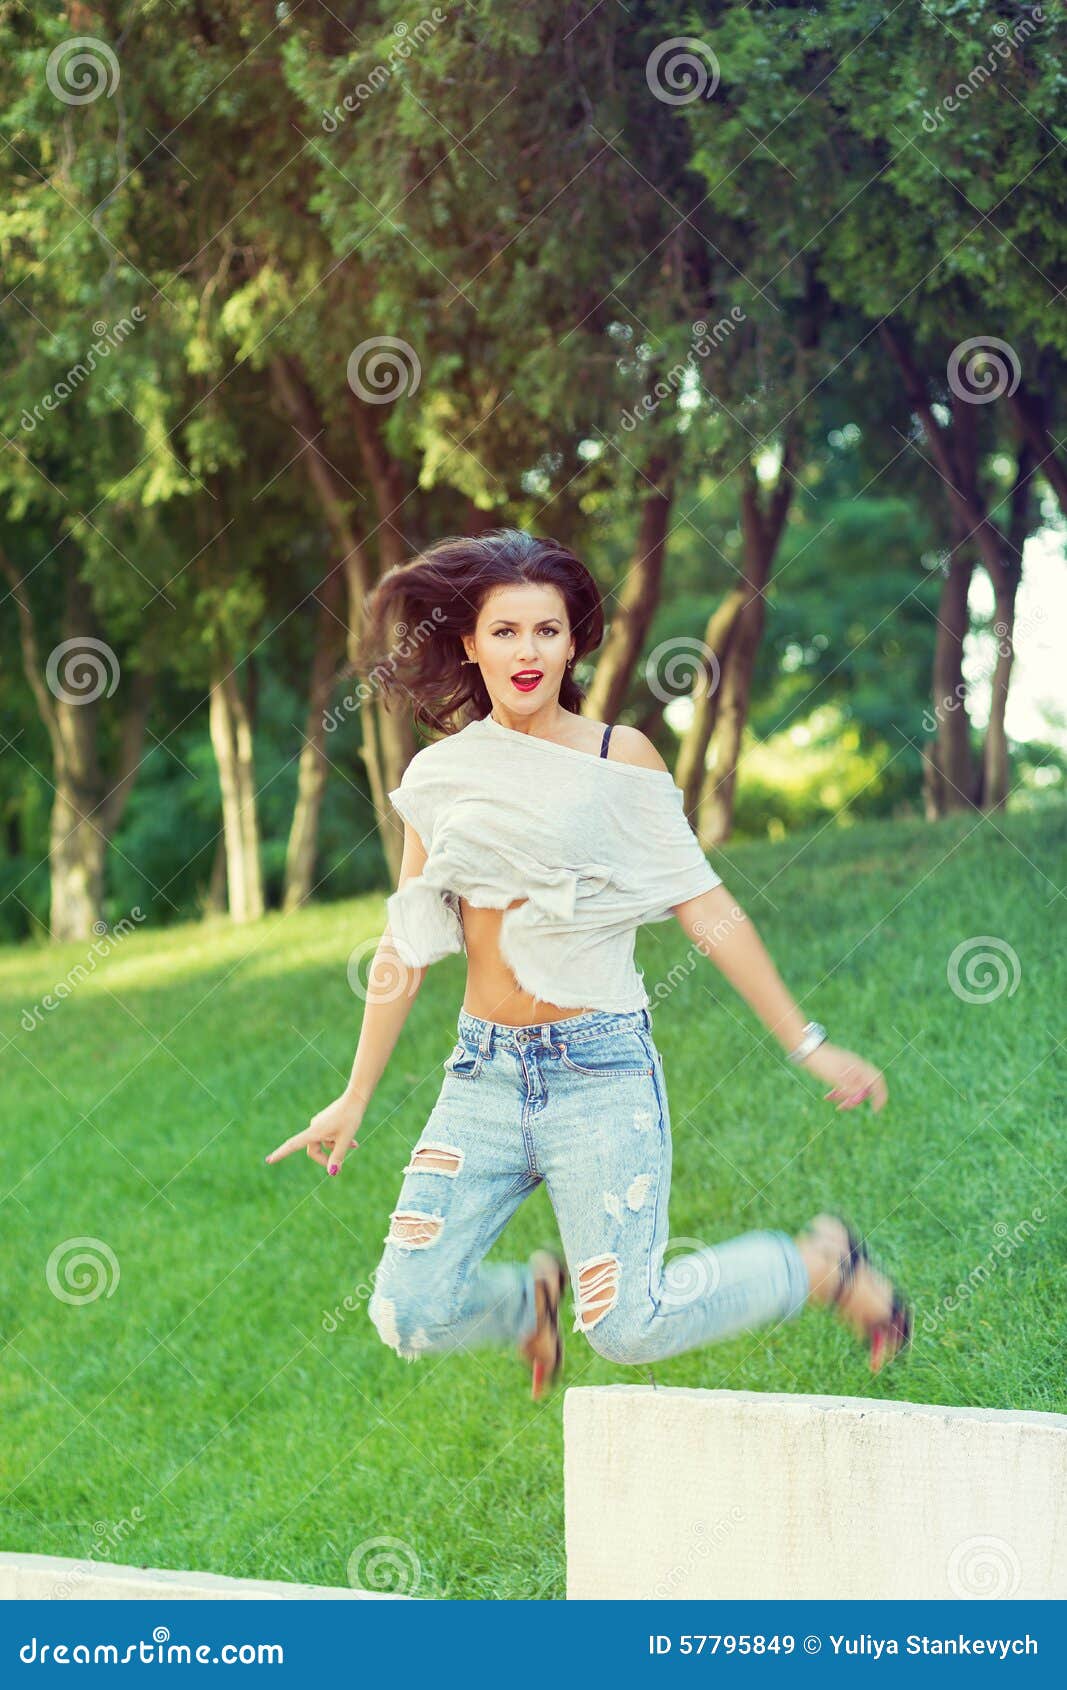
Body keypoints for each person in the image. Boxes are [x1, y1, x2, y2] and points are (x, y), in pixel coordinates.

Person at [265, 529, 911, 1398]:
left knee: (626, 1329)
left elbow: (705, 907)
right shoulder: (441, 773)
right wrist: (353, 1094)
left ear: (572, 643)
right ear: (468, 643)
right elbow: (406, 943)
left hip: (598, 1071)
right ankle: (528, 1306)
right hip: (481, 1077)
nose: (525, 650)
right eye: (504, 631)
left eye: (546, 630)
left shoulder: (619, 757)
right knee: (406, 1311)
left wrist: (807, 1042)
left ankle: (819, 1264)